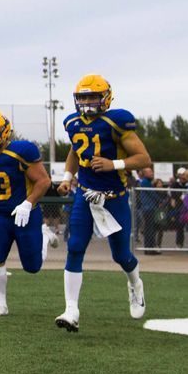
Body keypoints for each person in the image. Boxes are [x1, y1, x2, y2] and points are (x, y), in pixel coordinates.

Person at [55, 74, 152, 332]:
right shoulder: (72, 122)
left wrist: (114, 164)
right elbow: (76, 150)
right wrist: (67, 177)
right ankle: (71, 309)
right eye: (82, 97)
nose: (87, 101)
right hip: (85, 195)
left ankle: (135, 284)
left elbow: (144, 158)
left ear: (106, 97)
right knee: (75, 247)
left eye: (92, 96)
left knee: (121, 255)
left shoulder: (116, 121)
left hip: (114, 198)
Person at [0, 111, 52, 317]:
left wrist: (28, 203)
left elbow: (44, 181)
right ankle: (0, 304)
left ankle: (45, 236)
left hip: (24, 214)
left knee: (32, 267)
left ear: (4, 132)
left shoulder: (21, 151)